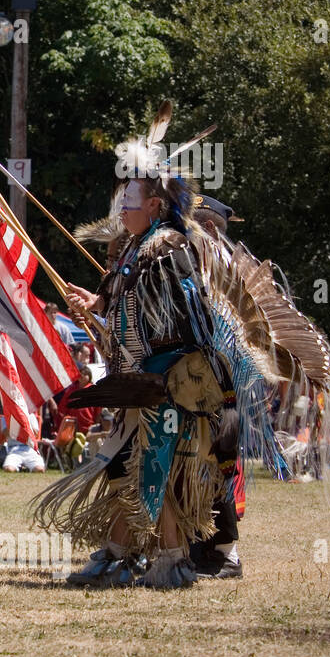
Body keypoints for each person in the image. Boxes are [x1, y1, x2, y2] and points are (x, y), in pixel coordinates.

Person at [34, 155, 232, 588]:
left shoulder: (170, 247)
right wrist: (95, 301)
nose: (122, 211)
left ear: (156, 207)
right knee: (130, 464)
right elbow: (124, 296)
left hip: (168, 380)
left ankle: (165, 561)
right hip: (139, 382)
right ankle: (125, 555)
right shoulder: (137, 247)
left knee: (149, 467)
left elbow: (183, 313)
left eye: (129, 202)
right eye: (122, 202)